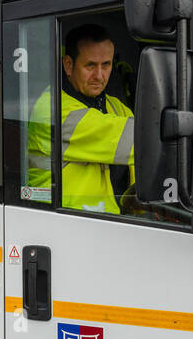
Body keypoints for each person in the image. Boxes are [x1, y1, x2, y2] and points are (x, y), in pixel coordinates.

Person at [28, 23, 135, 213]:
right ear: (68, 65)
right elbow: (142, 144)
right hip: (61, 226)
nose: (99, 75)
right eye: (90, 65)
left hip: (111, 226)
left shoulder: (116, 107)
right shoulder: (52, 108)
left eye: (106, 65)